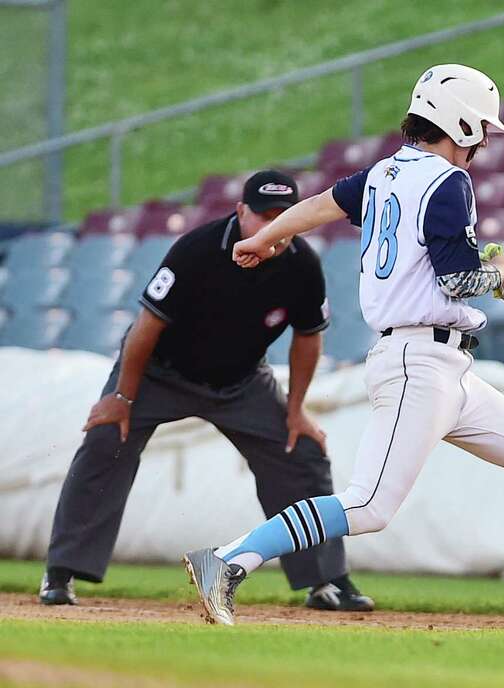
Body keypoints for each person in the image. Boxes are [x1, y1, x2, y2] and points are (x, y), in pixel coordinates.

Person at [182, 64, 504, 626]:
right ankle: (227, 560)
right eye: (481, 128)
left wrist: (266, 235)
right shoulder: (447, 180)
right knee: (368, 506)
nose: (484, 141)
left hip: (442, 365)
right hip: (419, 362)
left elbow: (318, 205)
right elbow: (456, 280)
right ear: (457, 121)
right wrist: (502, 272)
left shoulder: (385, 173)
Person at [40, 171, 373, 613]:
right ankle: (61, 572)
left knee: (302, 452)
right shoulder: (196, 250)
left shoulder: (302, 265)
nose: (271, 225)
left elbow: (308, 337)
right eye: (262, 215)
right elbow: (145, 329)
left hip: (241, 382)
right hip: (161, 372)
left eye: (282, 216)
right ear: (241, 212)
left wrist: (296, 410)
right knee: (105, 441)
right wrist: (120, 399)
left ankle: (327, 580)